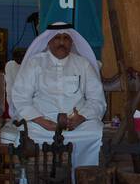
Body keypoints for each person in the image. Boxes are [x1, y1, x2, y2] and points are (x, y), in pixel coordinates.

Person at [10, 26, 106, 170]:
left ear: (72, 42)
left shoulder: (83, 64)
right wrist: (42, 121)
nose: (62, 42)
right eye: (57, 38)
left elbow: (96, 100)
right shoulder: (35, 63)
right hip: (41, 124)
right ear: (48, 42)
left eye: (66, 38)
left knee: (96, 132)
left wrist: (81, 117)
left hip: (77, 125)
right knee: (26, 136)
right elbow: (21, 98)